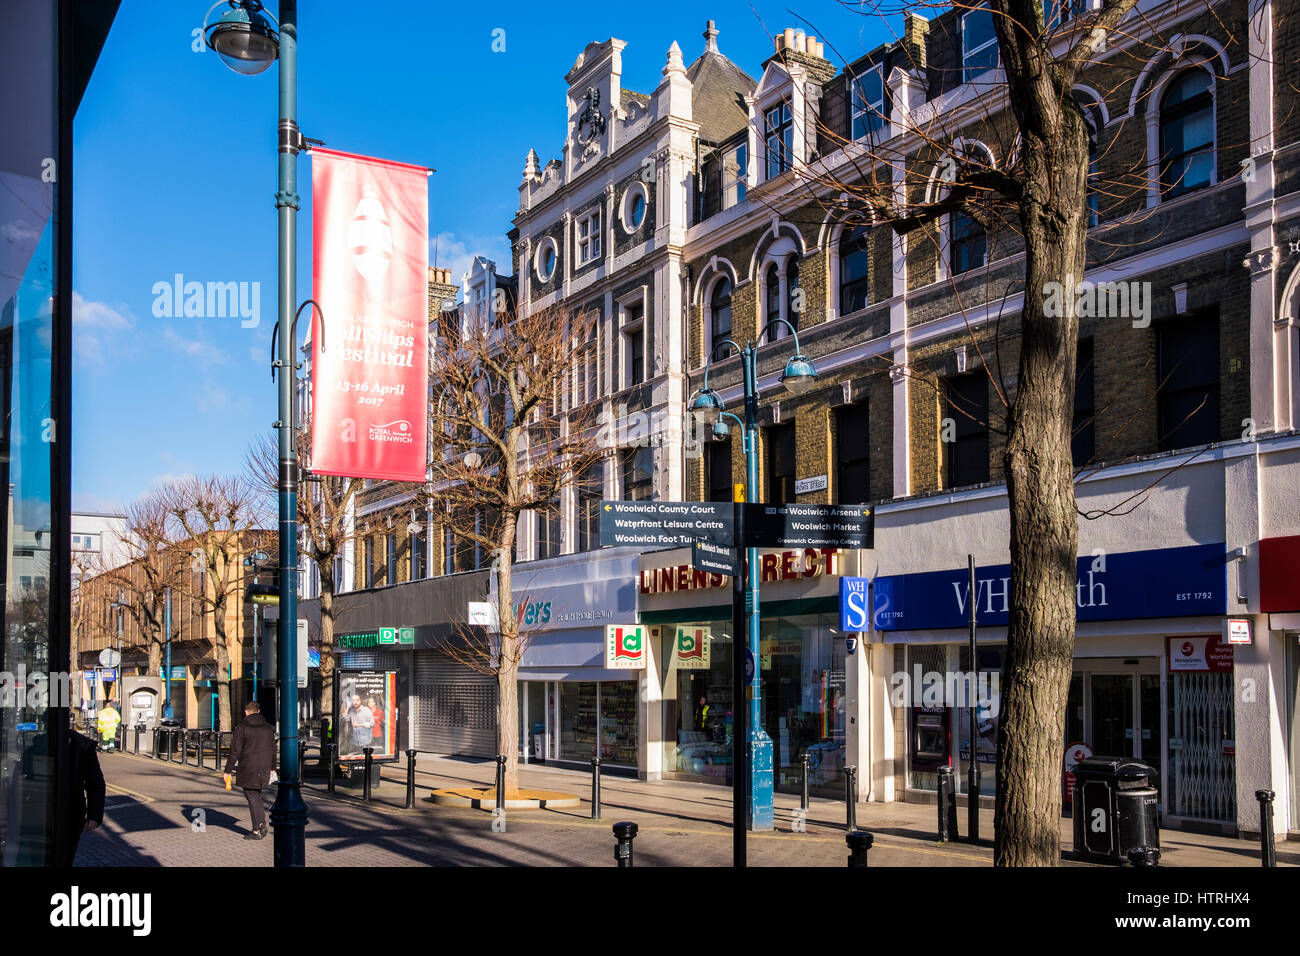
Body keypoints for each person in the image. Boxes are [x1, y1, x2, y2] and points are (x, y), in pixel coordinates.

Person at [224, 700, 275, 840]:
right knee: (255, 795)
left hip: (248, 767)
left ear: (246, 712)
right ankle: (260, 824)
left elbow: (235, 751)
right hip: (264, 767)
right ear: (258, 711)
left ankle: (258, 828)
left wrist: (227, 770)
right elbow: (273, 750)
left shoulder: (242, 727)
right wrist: (272, 768)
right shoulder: (268, 728)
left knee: (252, 796)